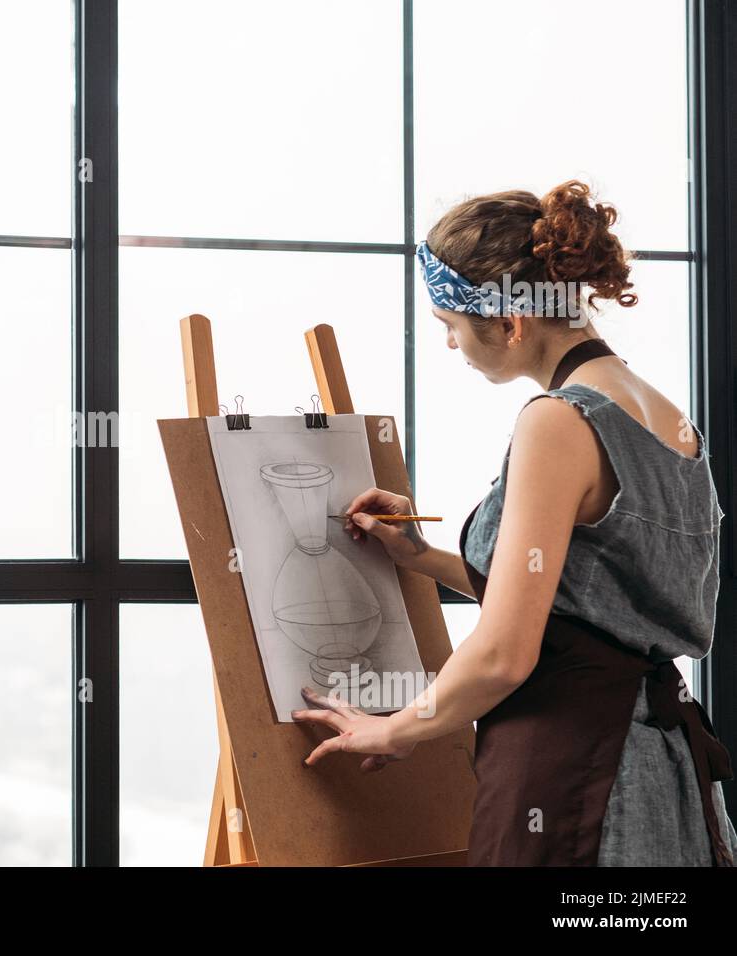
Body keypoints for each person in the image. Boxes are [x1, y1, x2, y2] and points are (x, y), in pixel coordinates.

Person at [291, 180, 736, 866]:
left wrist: (397, 731)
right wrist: (422, 556)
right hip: (666, 773)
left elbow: (505, 653)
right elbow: (582, 601)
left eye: (450, 326)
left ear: (510, 323)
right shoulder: (672, 421)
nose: (449, 345)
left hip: (576, 776)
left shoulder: (558, 421)